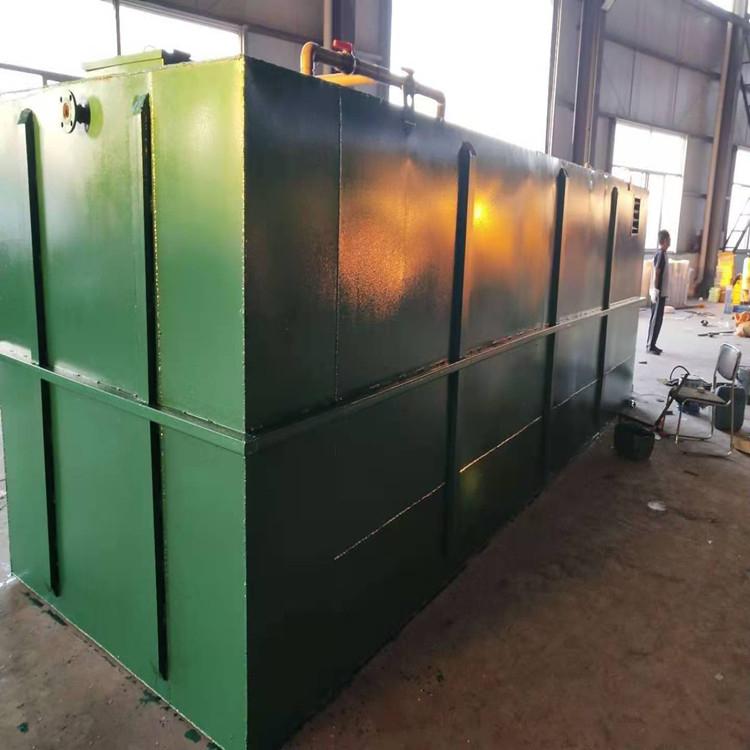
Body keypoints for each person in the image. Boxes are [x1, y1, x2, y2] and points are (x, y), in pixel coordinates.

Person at [647, 229, 671, 355]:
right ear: (665, 240)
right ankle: (650, 346)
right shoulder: (660, 254)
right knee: (655, 320)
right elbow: (657, 272)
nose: (670, 241)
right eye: (669, 239)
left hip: (662, 293)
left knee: (659, 320)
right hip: (658, 293)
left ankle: (653, 344)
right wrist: (656, 290)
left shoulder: (664, 254)